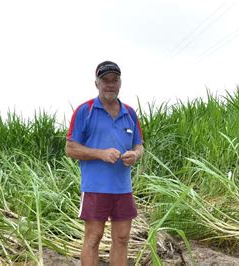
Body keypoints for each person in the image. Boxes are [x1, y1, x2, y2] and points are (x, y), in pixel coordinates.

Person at [65, 60, 144, 266]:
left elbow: (139, 146)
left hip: (123, 188)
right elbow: (70, 148)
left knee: (122, 238)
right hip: (95, 188)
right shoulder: (85, 111)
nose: (110, 84)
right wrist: (100, 154)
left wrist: (135, 155)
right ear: (96, 83)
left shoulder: (130, 113)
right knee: (93, 237)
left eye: (114, 80)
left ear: (120, 83)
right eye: (105, 80)